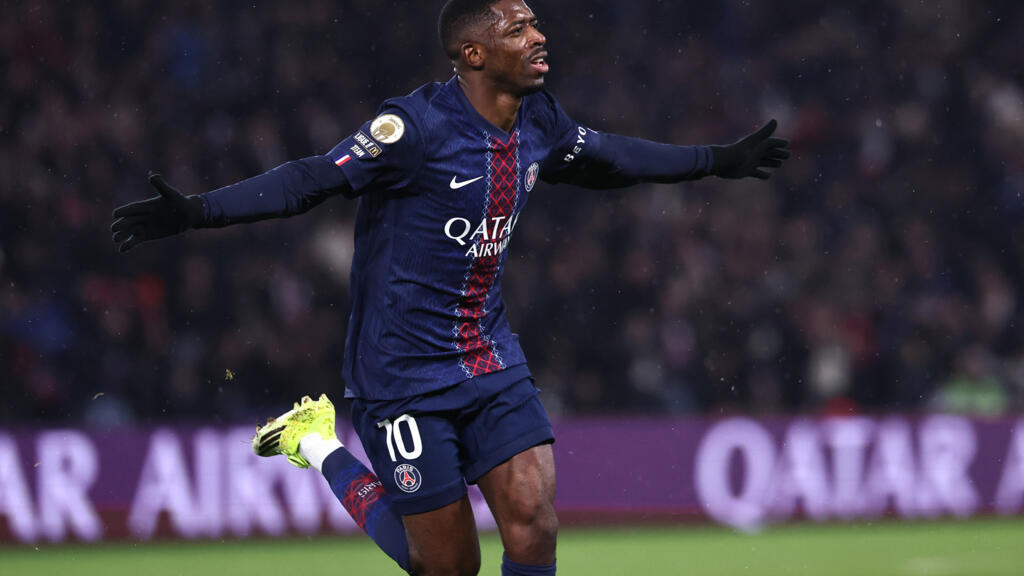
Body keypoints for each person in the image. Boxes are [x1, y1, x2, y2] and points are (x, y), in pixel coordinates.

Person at [111, 0, 789, 573]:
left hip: (488, 356)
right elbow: (311, 178)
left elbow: (608, 157)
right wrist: (197, 210)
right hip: (400, 372)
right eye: (517, 29)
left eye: (535, 23)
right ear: (472, 53)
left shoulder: (539, 120)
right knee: (445, 567)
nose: (539, 36)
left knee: (534, 524)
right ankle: (316, 443)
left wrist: (716, 159)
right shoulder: (414, 128)